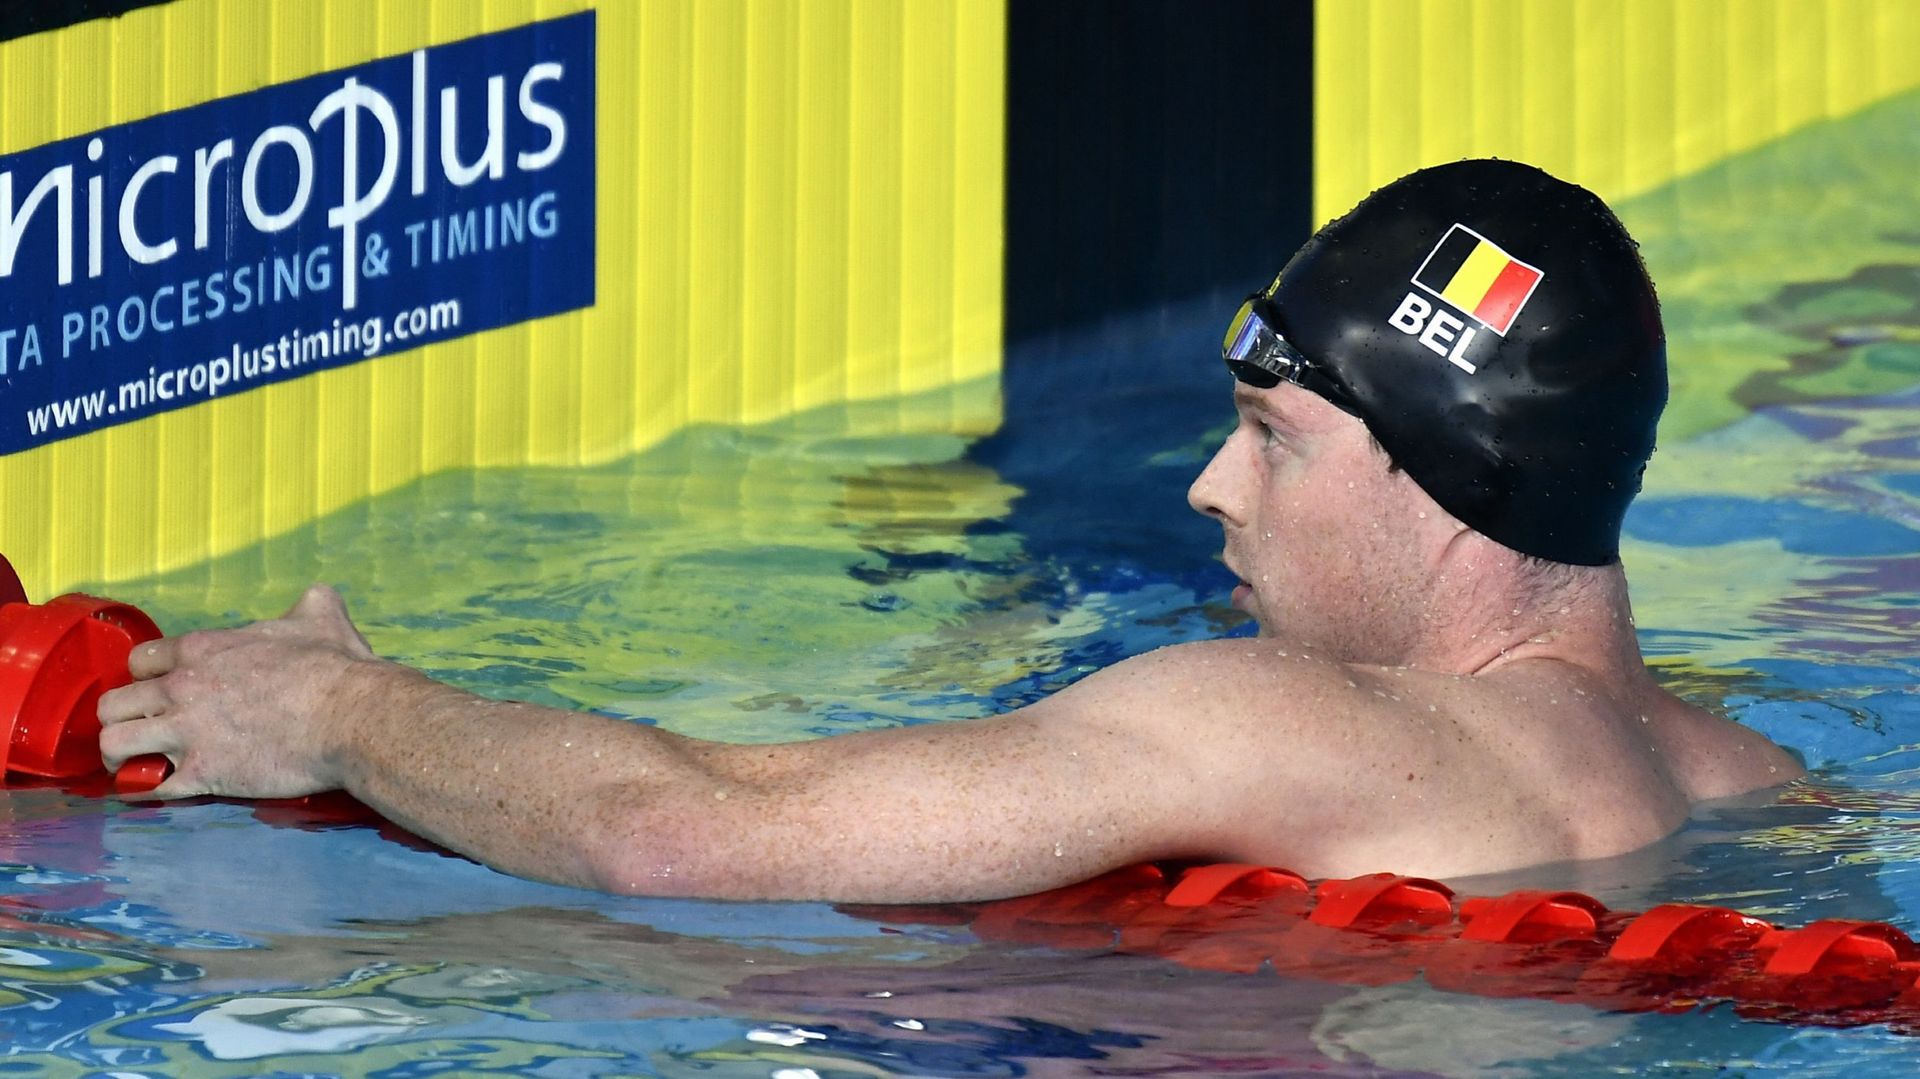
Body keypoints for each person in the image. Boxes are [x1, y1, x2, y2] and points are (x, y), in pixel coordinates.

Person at [96, 160, 1803, 902]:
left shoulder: (1282, 725)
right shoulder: (1766, 789)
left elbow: (680, 841)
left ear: (1447, 481)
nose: (1210, 490)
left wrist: (338, 709)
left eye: (1271, 438)